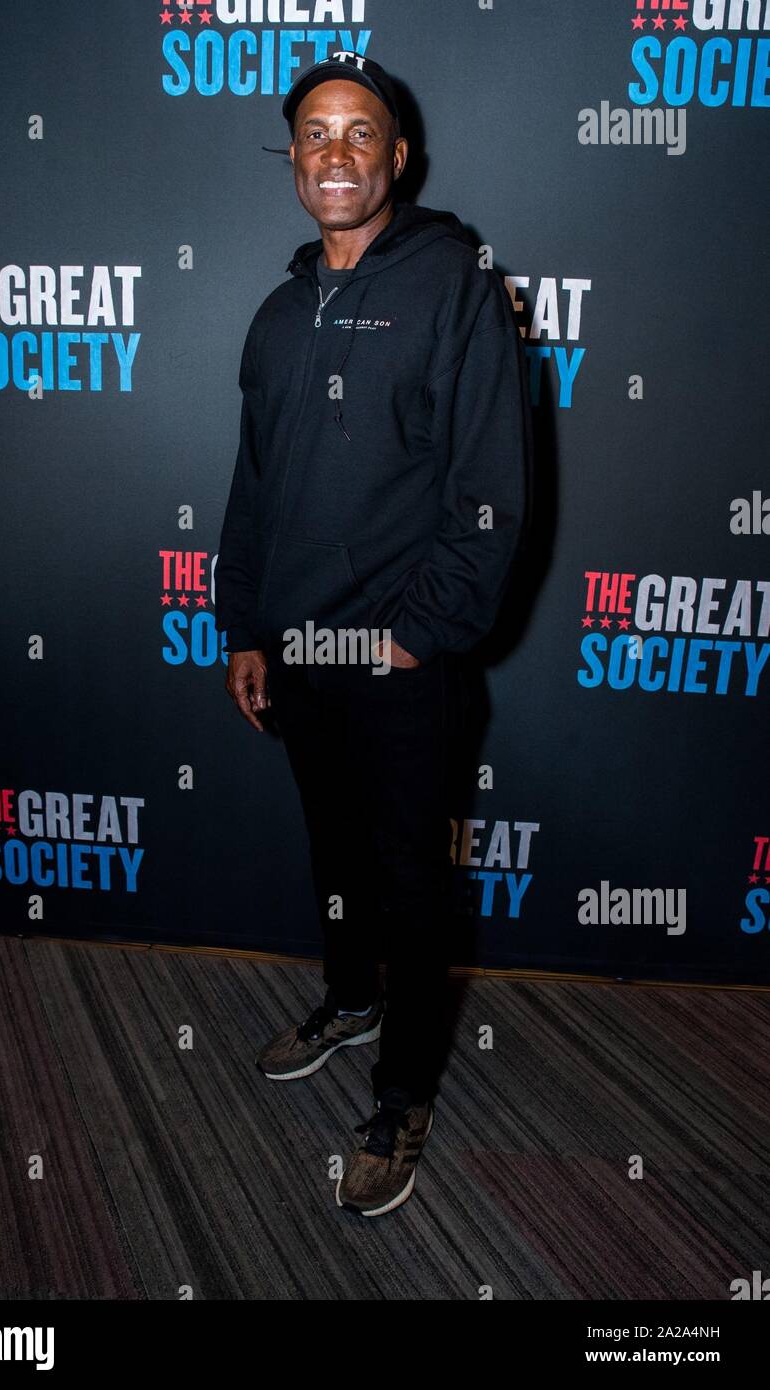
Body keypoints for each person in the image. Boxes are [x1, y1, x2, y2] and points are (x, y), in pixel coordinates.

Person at [216, 51, 531, 1217]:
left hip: (401, 660)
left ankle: (404, 1094)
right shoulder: (276, 312)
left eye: (362, 133)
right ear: (293, 160)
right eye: (314, 134)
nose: (336, 153)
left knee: (408, 879)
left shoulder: (455, 283)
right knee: (336, 855)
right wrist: (245, 623)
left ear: (398, 157)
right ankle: (351, 1002)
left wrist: (420, 634)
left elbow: (492, 484)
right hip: (297, 654)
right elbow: (253, 485)